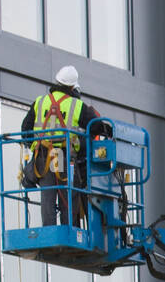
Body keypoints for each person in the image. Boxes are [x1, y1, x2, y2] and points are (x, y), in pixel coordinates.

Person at [21, 66, 104, 228]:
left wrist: (35, 147)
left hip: (42, 158)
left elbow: (25, 130)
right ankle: (70, 231)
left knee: (48, 196)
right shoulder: (76, 105)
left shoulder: (40, 101)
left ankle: (50, 231)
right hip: (65, 158)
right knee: (69, 195)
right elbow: (97, 126)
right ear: (73, 87)